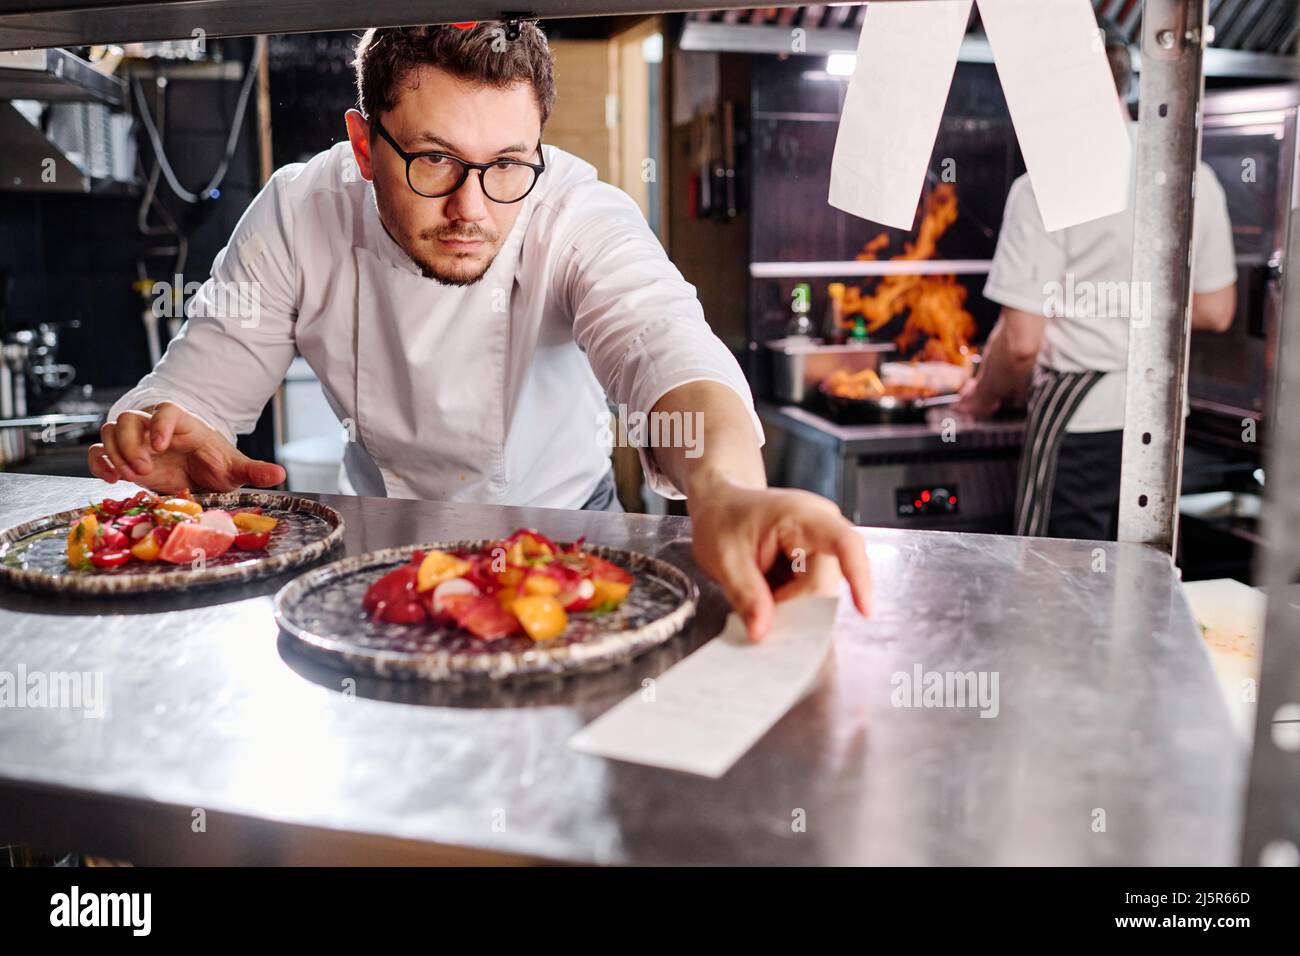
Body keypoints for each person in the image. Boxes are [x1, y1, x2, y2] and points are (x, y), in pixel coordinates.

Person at [92, 22, 870, 640]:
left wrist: (726, 488)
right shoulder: (301, 212)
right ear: (365, 145)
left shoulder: (573, 211)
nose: (473, 208)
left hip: (571, 547)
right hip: (383, 561)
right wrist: (165, 437)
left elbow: (665, 350)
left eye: (506, 164)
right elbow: (198, 392)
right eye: (433, 160)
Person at [954, 19, 1237, 540]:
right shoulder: (1193, 173)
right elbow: (1217, 309)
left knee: (1053, 583)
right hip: (1161, 419)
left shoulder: (1044, 183)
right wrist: (1134, 323)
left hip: (1080, 423)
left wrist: (980, 398)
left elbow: (1020, 343)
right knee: (1141, 581)